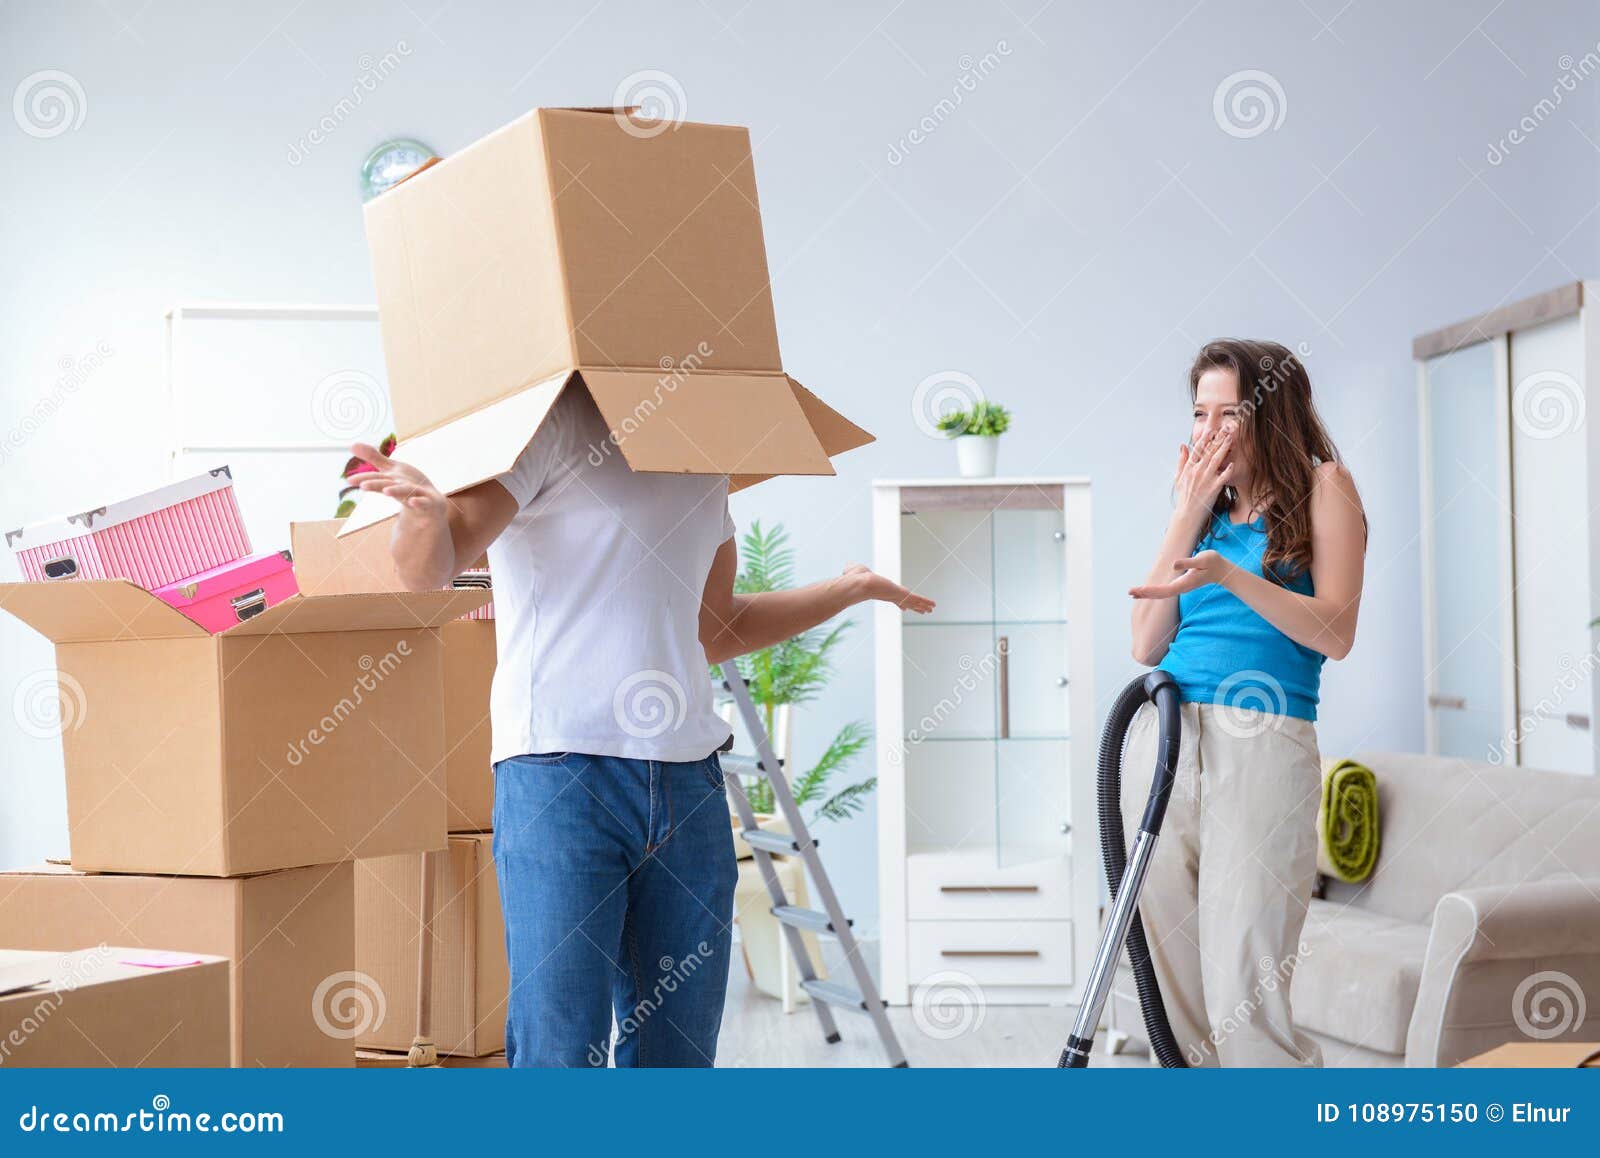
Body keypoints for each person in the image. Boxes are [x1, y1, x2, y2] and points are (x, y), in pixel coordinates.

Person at [349, 387, 933, 1067]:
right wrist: (423, 515)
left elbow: (717, 627)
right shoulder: (546, 425)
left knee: (678, 1054)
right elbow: (435, 566)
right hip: (560, 777)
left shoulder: (702, 453)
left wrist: (848, 589)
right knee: (561, 1048)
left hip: (688, 787)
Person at [1125, 338, 1366, 1067]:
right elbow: (1144, 642)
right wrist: (1187, 510)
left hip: (1263, 740)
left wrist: (1230, 576)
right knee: (1170, 988)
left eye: (1231, 413)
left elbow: (1337, 632)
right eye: (1201, 413)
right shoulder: (1204, 513)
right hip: (1165, 736)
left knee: (1246, 989)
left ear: (1274, 414)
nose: (1210, 431)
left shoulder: (1327, 487)